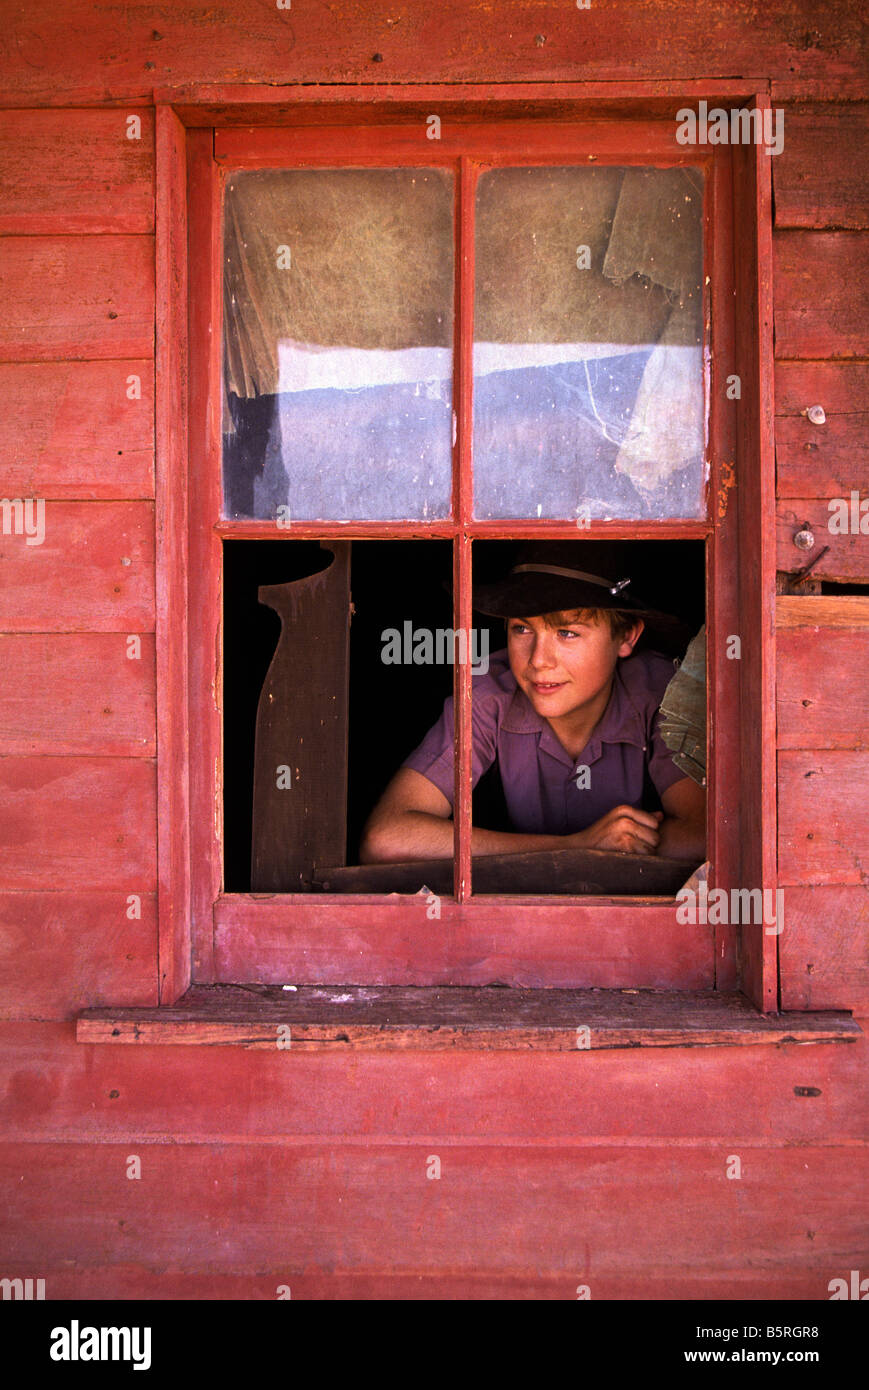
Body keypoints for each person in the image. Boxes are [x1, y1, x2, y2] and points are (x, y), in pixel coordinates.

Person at [359, 541, 705, 864]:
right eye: (522, 629)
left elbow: (706, 834)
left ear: (627, 636)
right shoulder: (488, 695)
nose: (538, 660)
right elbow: (385, 838)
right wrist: (575, 847)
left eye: (567, 633)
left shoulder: (662, 696)